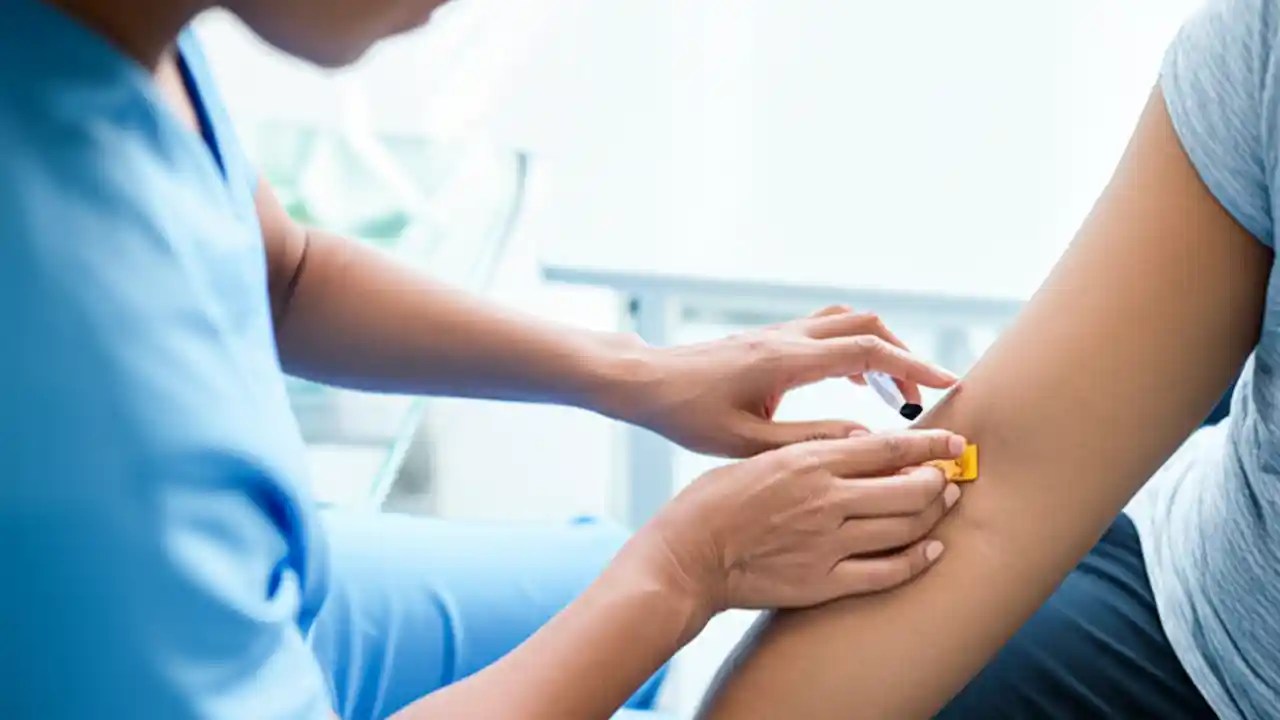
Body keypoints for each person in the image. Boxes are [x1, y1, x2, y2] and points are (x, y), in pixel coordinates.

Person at [0, 1, 971, 718]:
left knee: (612, 588)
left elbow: (279, 273)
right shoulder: (75, 384)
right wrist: (689, 567)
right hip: (153, 619)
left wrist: (639, 371)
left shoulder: (114, 30)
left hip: (274, 582)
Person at [697, 0, 1280, 718]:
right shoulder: (1263, 42)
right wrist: (685, 560)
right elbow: (999, 476)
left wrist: (684, 563)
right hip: (1199, 610)